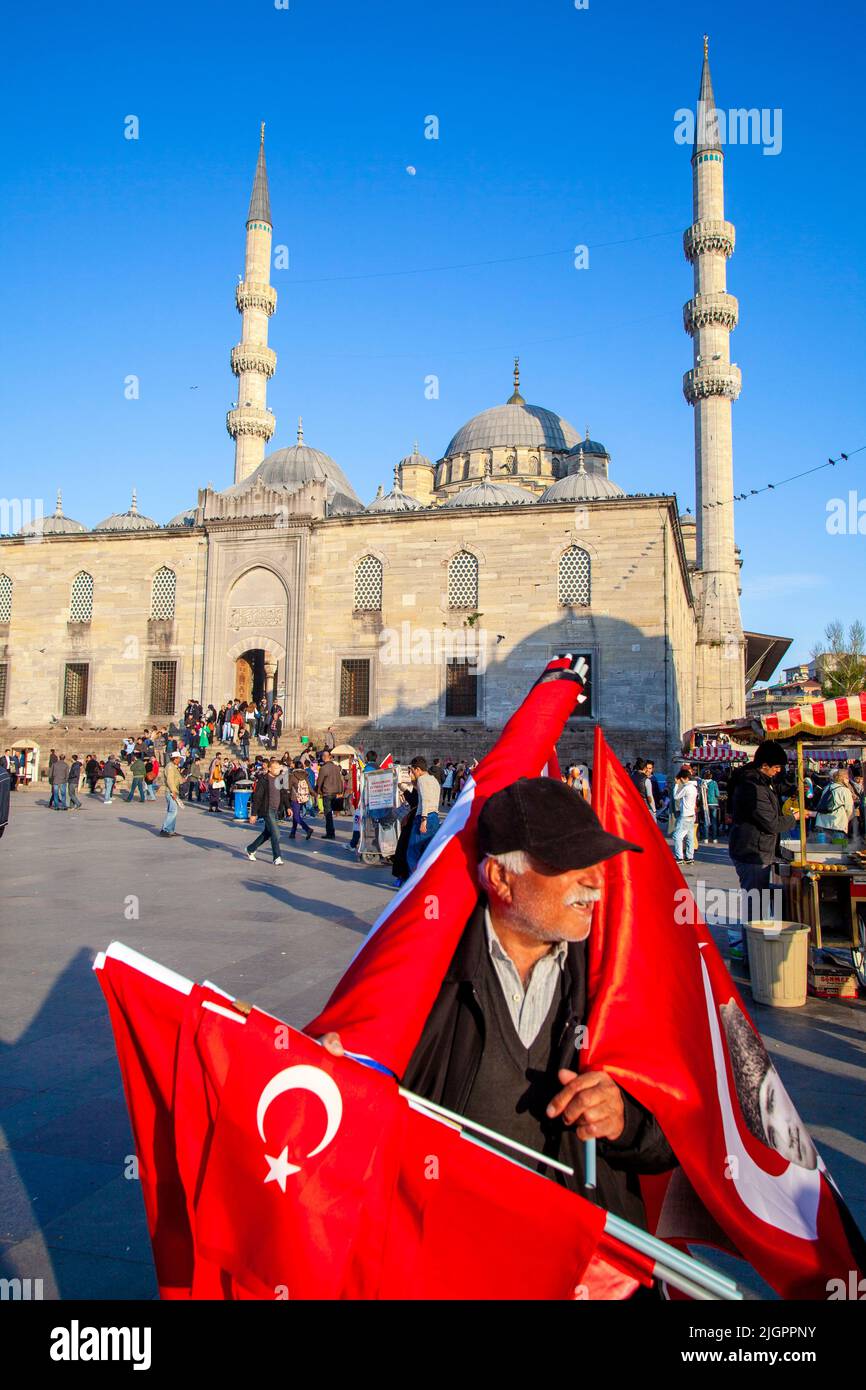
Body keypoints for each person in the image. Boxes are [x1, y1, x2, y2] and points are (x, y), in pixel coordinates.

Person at [320, 777, 676, 1228]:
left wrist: (625, 1119)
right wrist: (334, 1081)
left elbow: (679, 1133)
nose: (595, 882)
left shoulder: (615, 978)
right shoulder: (428, 981)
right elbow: (361, 1111)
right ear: (501, 879)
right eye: (569, 863)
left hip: (582, 1265)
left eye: (596, 862)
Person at [728, 741, 787, 922]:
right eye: (776, 767)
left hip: (755, 849)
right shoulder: (752, 787)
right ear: (764, 766)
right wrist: (794, 818)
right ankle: (753, 949)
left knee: (757, 904)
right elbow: (770, 823)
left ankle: (754, 945)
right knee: (756, 908)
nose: (778, 771)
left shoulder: (759, 782)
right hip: (752, 851)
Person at [246, 759, 285, 865]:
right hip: (267, 809)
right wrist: (253, 814)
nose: (278, 770)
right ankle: (277, 857)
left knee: (268, 833)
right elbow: (257, 797)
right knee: (276, 833)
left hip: (275, 809)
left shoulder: (279, 779)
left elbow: (283, 793)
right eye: (276, 768)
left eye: (279, 768)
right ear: (270, 769)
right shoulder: (263, 780)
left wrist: (288, 807)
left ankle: (251, 848)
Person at [406, 756, 441, 873]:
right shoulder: (434, 780)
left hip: (424, 817)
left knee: (412, 852)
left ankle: (415, 880)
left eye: (412, 771)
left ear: (417, 769)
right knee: (428, 853)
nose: (412, 773)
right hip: (435, 818)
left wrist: (423, 820)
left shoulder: (421, 780)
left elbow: (425, 799)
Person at [814, 769, 855, 836]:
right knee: (839, 845)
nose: (848, 780)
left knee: (824, 846)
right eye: (847, 778)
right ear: (842, 779)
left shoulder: (827, 787)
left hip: (822, 823)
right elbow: (850, 810)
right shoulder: (845, 790)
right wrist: (846, 821)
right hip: (837, 825)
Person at [672, 766, 698, 864]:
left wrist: (676, 785)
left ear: (683, 778)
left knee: (677, 836)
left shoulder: (686, 788)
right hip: (691, 814)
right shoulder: (693, 788)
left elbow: (676, 797)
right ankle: (689, 857)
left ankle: (679, 857)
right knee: (689, 837)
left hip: (685, 815)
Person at [316, 749, 344, 840]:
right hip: (336, 792)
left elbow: (319, 782)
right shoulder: (336, 767)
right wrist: (340, 791)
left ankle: (330, 833)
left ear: (324, 757)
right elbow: (340, 780)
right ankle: (331, 832)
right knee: (331, 813)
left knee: (328, 814)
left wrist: (319, 791)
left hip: (327, 792)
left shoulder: (323, 768)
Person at [288, 761, 315, 840]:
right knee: (296, 815)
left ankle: (307, 829)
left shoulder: (292, 775)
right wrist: (314, 794)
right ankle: (293, 833)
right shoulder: (305, 775)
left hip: (295, 797)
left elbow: (288, 787)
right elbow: (309, 786)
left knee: (296, 816)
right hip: (303, 797)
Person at [160, 750, 184, 836]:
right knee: (172, 811)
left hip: (174, 791)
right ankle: (165, 829)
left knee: (173, 811)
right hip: (171, 791)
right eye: (179, 758)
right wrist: (173, 791)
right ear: (174, 758)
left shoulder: (174, 767)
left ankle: (170, 830)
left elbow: (176, 779)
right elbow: (170, 780)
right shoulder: (170, 767)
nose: (180, 760)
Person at [702, 773, 720, 843]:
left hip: (705, 803)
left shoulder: (702, 783)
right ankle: (714, 838)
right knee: (714, 820)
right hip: (714, 803)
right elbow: (717, 794)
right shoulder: (714, 783)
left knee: (706, 820)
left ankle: (706, 838)